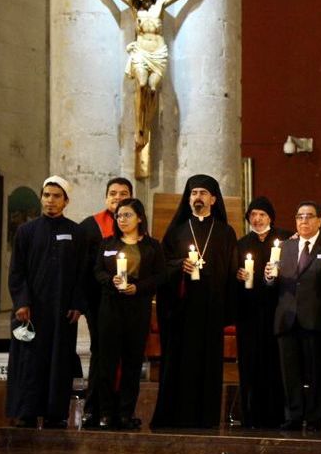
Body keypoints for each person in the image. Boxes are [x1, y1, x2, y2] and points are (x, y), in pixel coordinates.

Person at [80, 0, 214, 159]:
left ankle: (146, 123)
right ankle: (139, 127)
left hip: (158, 54)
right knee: (141, 84)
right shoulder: (135, 9)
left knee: (152, 88)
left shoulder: (160, 5)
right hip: (142, 52)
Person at [152, 174, 238, 428]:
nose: (197, 197)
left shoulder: (225, 232)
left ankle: (205, 418)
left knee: (208, 364)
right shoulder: (176, 231)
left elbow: (233, 271)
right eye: (193, 193)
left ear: (213, 198)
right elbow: (162, 267)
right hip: (182, 310)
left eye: (202, 193)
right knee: (181, 363)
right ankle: (176, 416)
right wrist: (180, 265)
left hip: (212, 308)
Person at [6, 176, 87, 428]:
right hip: (30, 312)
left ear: (66, 201)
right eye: (47, 195)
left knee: (58, 361)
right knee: (29, 362)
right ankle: (27, 412)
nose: (50, 201)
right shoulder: (25, 231)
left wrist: (77, 303)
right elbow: (17, 271)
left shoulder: (76, 233)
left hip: (62, 312)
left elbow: (82, 272)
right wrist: (22, 302)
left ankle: (55, 413)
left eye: (56, 196)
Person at [92, 198, 165, 430]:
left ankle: (125, 412)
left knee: (133, 363)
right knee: (107, 362)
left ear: (139, 218)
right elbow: (97, 271)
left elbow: (160, 277)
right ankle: (105, 412)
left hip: (137, 308)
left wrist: (139, 287)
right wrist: (110, 280)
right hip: (110, 307)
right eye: (119, 216)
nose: (122, 220)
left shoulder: (152, 246)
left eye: (127, 215)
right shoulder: (107, 243)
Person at [267, 201, 321, 430]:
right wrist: (269, 277)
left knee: (316, 370)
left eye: (309, 216)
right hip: (287, 317)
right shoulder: (285, 247)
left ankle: (316, 416)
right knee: (290, 372)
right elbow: (273, 282)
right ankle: (294, 415)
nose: (304, 221)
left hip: (315, 316)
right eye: (299, 217)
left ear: (319, 221)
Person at [78, 177, 132, 427]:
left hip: (126, 303)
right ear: (105, 197)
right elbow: (81, 269)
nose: (118, 197)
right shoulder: (90, 226)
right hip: (97, 301)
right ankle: (94, 409)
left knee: (122, 355)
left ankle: (120, 410)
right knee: (100, 354)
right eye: (113, 193)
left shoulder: (135, 228)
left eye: (123, 193)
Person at [233, 197, 290, 428]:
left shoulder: (285, 239)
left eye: (262, 215)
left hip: (277, 310)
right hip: (250, 312)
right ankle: (251, 415)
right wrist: (238, 276)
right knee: (251, 362)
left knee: (275, 363)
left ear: (271, 217)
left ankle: (277, 415)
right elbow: (233, 274)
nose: (257, 219)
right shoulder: (242, 243)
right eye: (253, 215)